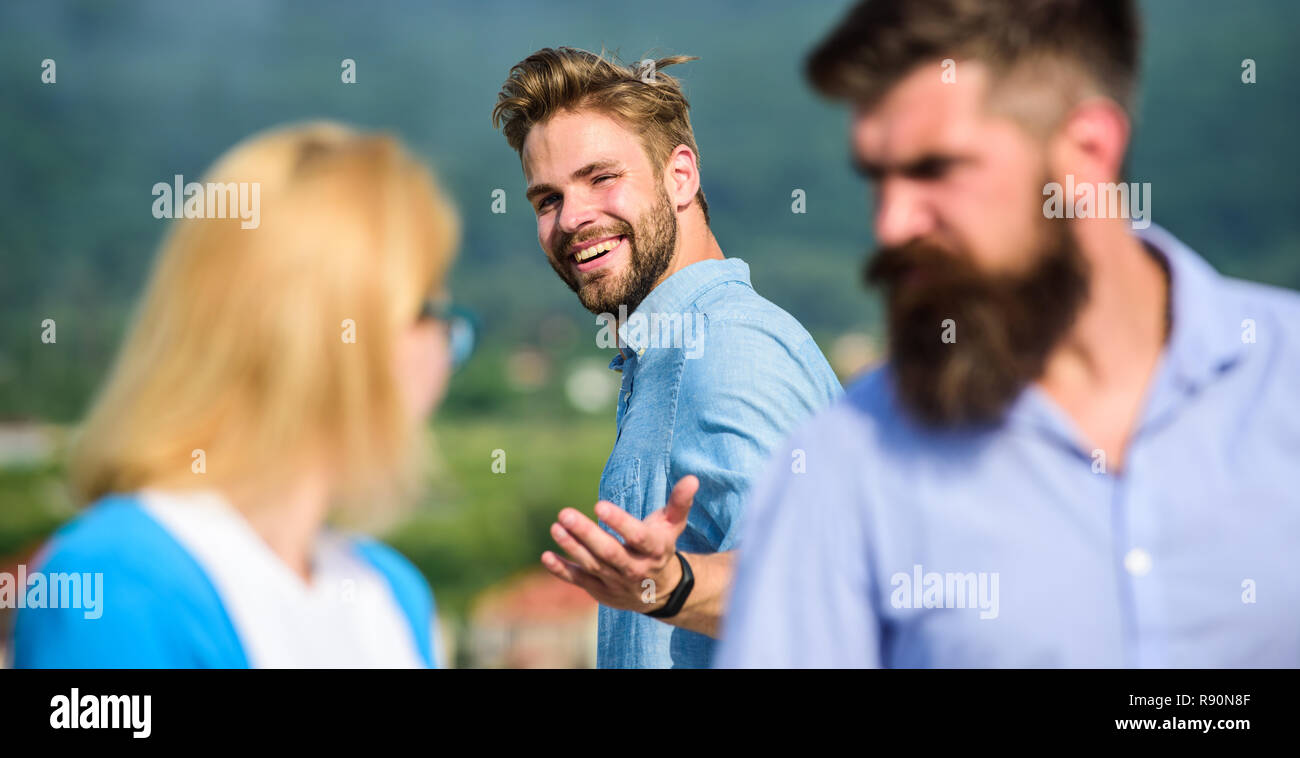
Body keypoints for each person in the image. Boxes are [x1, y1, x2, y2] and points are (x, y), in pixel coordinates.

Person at [718, 0, 1300, 667]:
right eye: (877, 179)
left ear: (1088, 152)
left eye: (934, 170)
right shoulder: (843, 467)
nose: (892, 223)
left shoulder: (1286, 383)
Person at [13, 122, 473, 668]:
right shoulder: (120, 585)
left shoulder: (392, 594)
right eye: (436, 316)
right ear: (348, 339)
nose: (447, 352)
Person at [492, 48, 843, 668]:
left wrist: (672, 583)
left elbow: (823, 588)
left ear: (680, 175)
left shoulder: (726, 351)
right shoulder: (667, 356)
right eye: (546, 200)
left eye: (601, 178)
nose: (572, 218)